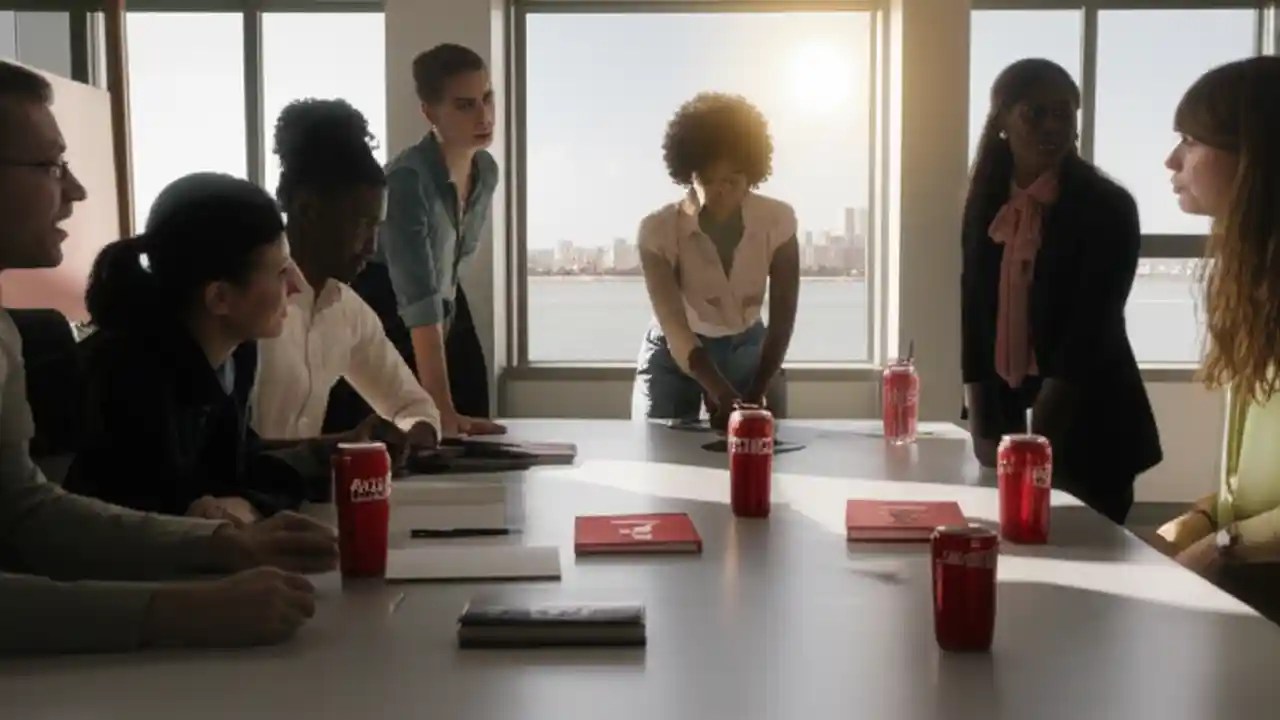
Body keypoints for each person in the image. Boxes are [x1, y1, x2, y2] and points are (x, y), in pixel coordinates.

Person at [0, 59, 336, 654]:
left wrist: (221, 543)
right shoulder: (127, 373)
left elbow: (26, 515)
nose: (75, 190)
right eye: (51, 166)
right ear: (218, 298)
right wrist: (179, 609)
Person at [961, 58, 1161, 525]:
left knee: (1089, 568)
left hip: (1091, 417)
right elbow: (974, 311)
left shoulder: (1106, 205)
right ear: (1003, 121)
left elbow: (1093, 324)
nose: (1053, 125)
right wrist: (981, 416)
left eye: (1064, 113)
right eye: (1036, 113)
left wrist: (1038, 439)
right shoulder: (986, 201)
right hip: (1010, 409)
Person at [64, 173, 318, 524]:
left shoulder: (235, 351)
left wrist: (249, 502)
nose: (297, 285)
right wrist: (240, 505)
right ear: (219, 297)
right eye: (280, 272)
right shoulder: (129, 376)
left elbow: (238, 467)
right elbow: (162, 509)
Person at [330, 43, 505, 438]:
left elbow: (450, 271)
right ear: (429, 112)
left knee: (474, 422)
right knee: (410, 434)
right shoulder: (407, 180)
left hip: (445, 300)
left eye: (487, 98)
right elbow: (417, 296)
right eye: (465, 105)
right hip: (387, 306)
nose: (484, 115)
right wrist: (439, 407)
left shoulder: (486, 171)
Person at [1154, 58, 1280, 599]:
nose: (1171, 159)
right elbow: (1252, 487)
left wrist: (1226, 545)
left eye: (1190, 140)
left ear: (1254, 157)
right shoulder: (1259, 287)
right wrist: (1198, 523)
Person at [252, 98, 440, 459]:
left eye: (378, 227)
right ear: (307, 210)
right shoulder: (250, 305)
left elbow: (414, 407)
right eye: (361, 224)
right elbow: (223, 454)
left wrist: (413, 435)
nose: (372, 246)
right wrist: (344, 445)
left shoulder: (347, 312)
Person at [632, 93, 799, 429]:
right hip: (674, 353)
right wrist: (721, 392)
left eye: (731, 180)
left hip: (750, 349)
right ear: (688, 174)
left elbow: (782, 321)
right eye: (707, 179)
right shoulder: (657, 232)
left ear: (750, 176)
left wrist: (757, 389)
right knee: (661, 457)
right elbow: (676, 331)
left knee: (764, 449)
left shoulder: (778, 222)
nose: (719, 191)